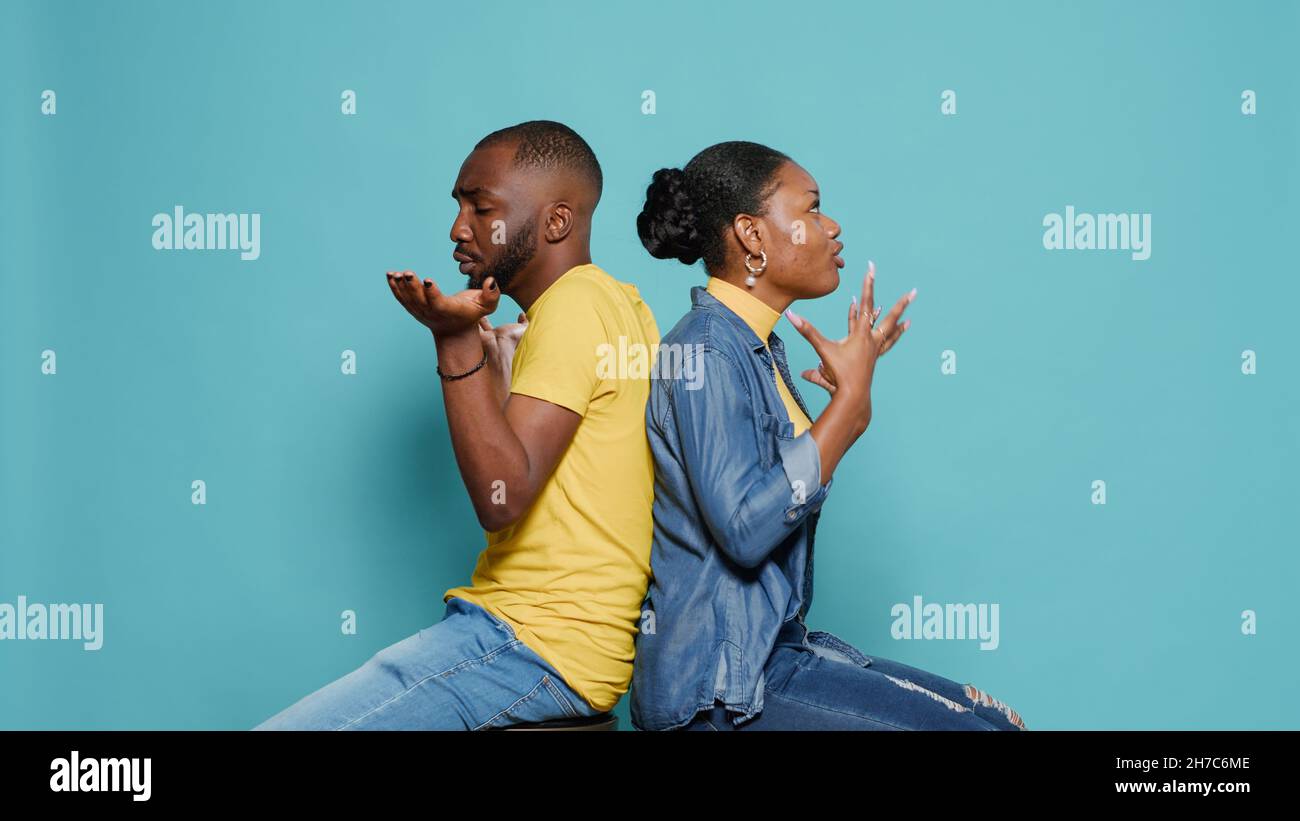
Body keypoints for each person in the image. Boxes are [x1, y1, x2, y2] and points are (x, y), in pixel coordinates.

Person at [255, 120, 660, 730]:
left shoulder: (575, 307)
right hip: (553, 641)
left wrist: (451, 339)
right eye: (458, 205)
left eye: (481, 206)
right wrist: (486, 351)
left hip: (532, 644)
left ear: (556, 222)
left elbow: (503, 495)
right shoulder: (619, 305)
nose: (458, 227)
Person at [628, 140, 1027, 731]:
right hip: (719, 686)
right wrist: (849, 409)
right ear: (751, 235)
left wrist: (843, 406)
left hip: (772, 654)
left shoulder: (758, 349)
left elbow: (773, 494)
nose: (831, 225)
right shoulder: (705, 349)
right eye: (812, 209)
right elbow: (742, 529)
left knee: (995, 720)